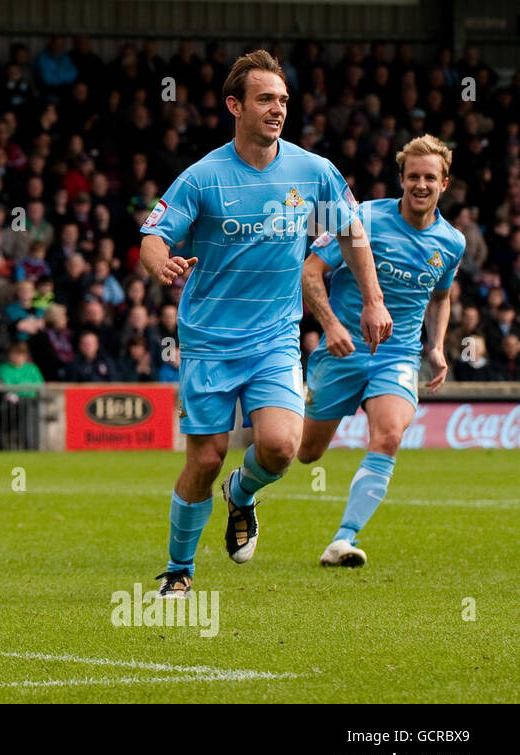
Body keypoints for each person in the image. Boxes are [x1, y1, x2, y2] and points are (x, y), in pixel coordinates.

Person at [139, 50, 391, 598]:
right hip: (208, 341)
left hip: (275, 338)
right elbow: (153, 236)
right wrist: (161, 262)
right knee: (204, 458)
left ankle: (244, 493)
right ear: (235, 105)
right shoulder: (203, 177)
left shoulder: (313, 171)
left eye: (282, 99)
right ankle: (180, 570)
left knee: (280, 446)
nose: (277, 108)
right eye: (265, 99)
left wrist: (372, 300)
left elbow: (351, 234)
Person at [297, 136, 465, 566]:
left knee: (389, 434)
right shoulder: (363, 219)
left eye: (430, 177)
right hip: (342, 349)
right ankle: (242, 489)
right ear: (402, 179)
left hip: (398, 356)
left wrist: (438, 346)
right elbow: (311, 271)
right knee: (304, 453)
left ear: (444, 183)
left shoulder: (452, 243)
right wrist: (331, 326)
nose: (420, 185)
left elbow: (441, 297)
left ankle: (342, 540)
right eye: (413, 176)